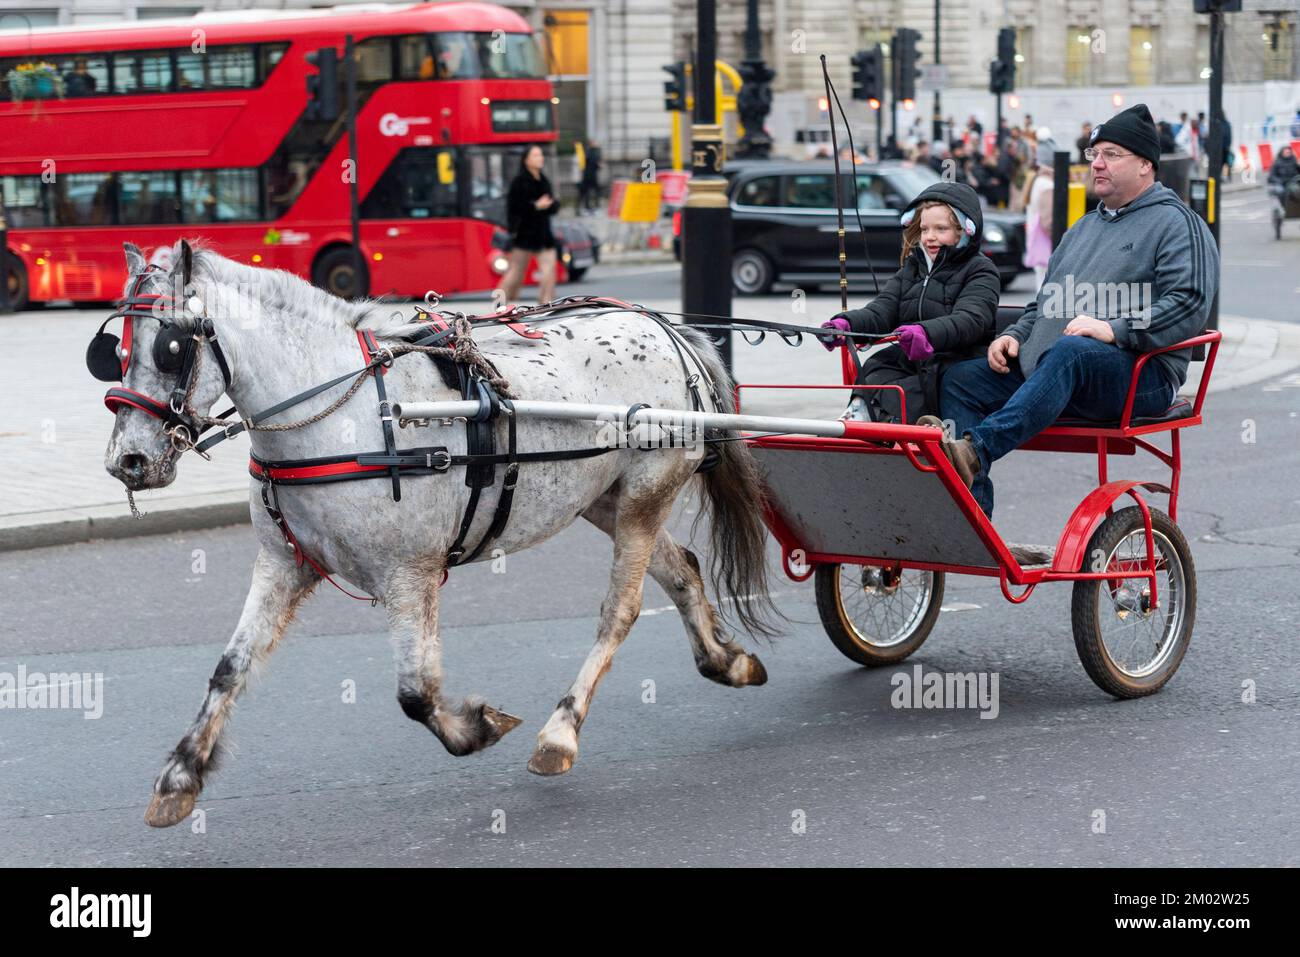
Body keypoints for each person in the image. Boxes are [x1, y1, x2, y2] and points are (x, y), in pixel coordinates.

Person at [934, 104, 1220, 517]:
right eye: (1093, 153)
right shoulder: (1083, 228)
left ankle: (974, 451)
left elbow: (1188, 303)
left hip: (1140, 373)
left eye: (1111, 154)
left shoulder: (1178, 223)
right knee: (959, 379)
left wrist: (1116, 329)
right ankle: (969, 516)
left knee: (1072, 354)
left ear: (1145, 165)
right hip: (1058, 369)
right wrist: (1015, 334)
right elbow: (1047, 301)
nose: (1097, 164)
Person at [818, 182, 1000, 425]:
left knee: (919, 385)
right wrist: (845, 324)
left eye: (941, 229)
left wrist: (925, 333)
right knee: (878, 365)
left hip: (957, 359)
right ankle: (862, 415)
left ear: (964, 231)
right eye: (924, 229)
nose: (930, 237)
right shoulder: (913, 267)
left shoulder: (980, 270)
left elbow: (971, 319)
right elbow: (882, 310)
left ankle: (893, 426)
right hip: (914, 359)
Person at [496, 144, 559, 305]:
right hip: (525, 235)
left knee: (549, 271)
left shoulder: (543, 180)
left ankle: (546, 304)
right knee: (515, 273)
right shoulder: (519, 182)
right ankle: (498, 303)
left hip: (544, 235)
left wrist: (548, 205)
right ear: (526, 160)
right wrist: (536, 206)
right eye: (536, 155)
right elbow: (515, 208)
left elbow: (553, 204)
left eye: (541, 155)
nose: (541, 158)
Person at [1021, 138, 1057, 289]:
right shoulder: (1048, 184)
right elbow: (1048, 221)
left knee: (1040, 281)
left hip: (1035, 239)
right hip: (1046, 243)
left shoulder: (1036, 180)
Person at [1268, 145, 1299, 217]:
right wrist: (1278, 181)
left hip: (1293, 182)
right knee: (1280, 191)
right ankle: (1285, 207)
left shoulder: (1294, 161)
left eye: (1289, 152)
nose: (1288, 153)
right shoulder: (1277, 163)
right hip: (1281, 183)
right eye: (1286, 152)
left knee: (1297, 190)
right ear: (1282, 153)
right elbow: (1271, 176)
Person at [577, 139, 602, 214]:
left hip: (587, 174)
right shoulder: (593, 151)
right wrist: (599, 165)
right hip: (591, 175)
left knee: (587, 191)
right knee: (595, 190)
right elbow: (596, 162)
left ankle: (588, 206)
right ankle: (595, 206)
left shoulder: (586, 151)